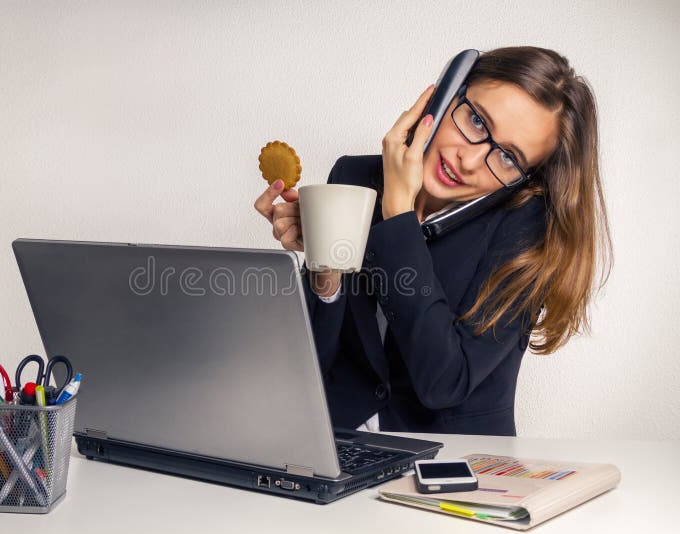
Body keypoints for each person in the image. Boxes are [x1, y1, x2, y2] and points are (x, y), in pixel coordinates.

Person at [253, 47, 612, 436]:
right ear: (442, 97)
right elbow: (314, 363)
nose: (470, 160)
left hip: (454, 455)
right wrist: (327, 267)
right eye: (476, 121)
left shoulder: (527, 227)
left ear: (528, 176)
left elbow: (444, 382)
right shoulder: (353, 175)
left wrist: (398, 216)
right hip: (342, 441)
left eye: (508, 157)